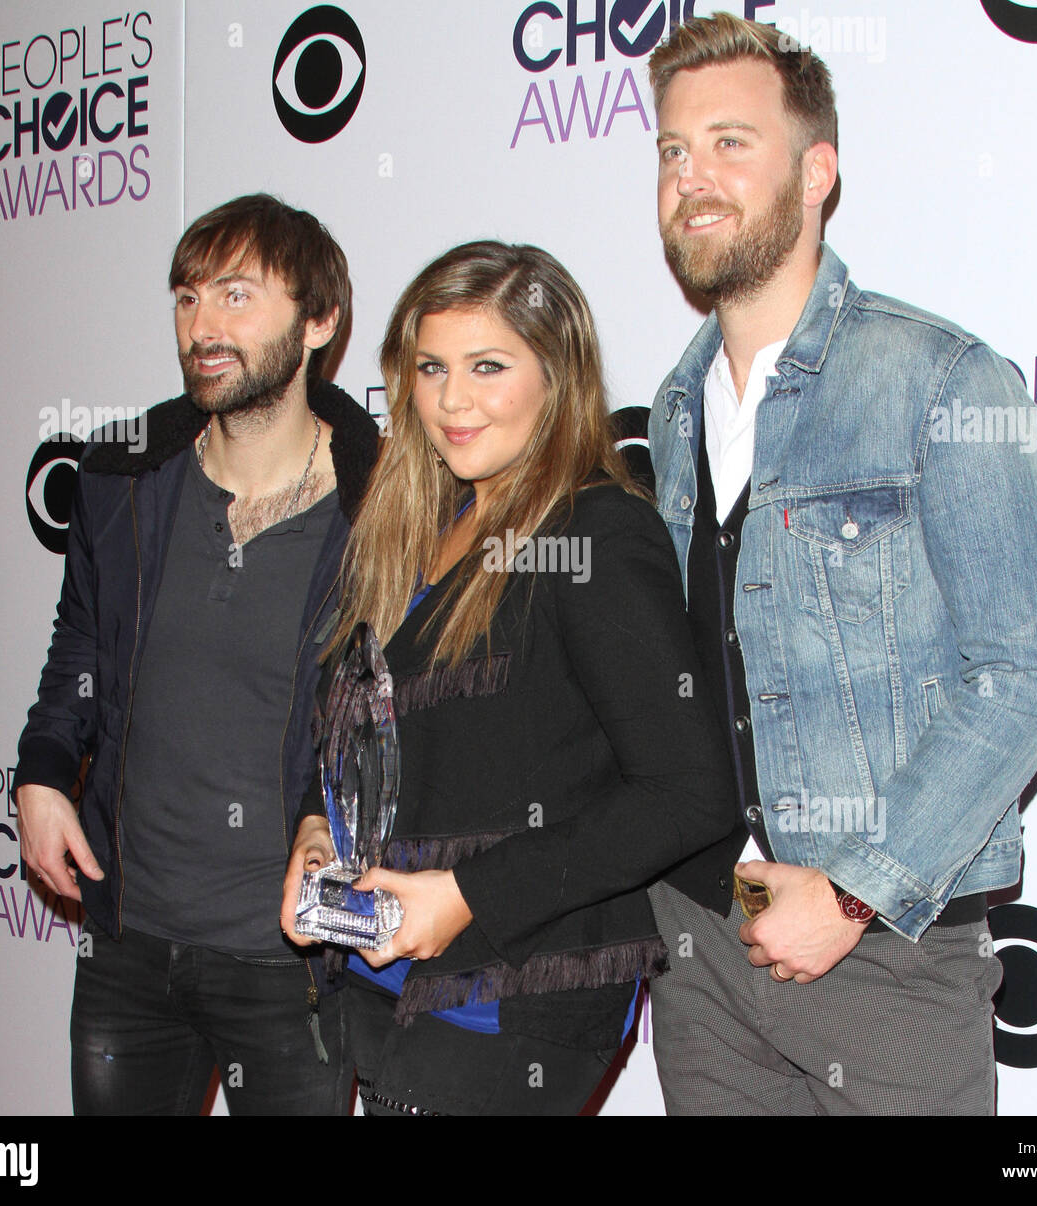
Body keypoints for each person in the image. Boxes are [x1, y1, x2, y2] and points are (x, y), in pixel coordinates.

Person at [644, 14, 1037, 1114]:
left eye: (731, 143)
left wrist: (849, 894)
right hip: (704, 941)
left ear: (816, 171)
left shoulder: (940, 380)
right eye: (672, 151)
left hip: (891, 953)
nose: (693, 177)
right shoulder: (673, 408)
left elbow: (1029, 672)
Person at [281, 240, 734, 1116]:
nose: (453, 399)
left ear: (556, 376)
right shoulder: (416, 526)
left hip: (510, 1000)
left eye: (489, 366)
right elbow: (352, 718)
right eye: (431, 367)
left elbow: (688, 792)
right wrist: (313, 829)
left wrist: (463, 896)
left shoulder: (595, 535)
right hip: (380, 980)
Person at [13, 194, 379, 1115]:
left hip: (289, 964)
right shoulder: (121, 480)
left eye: (235, 295)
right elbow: (82, 646)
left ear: (318, 321)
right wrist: (44, 770)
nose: (203, 326)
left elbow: (394, 711)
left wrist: (327, 817)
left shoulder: (385, 508)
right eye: (186, 298)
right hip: (128, 948)